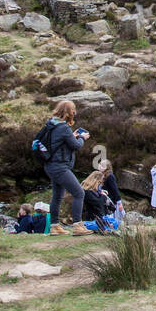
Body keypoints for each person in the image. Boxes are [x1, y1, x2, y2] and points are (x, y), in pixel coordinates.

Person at [40, 100, 89, 233]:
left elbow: (59, 142)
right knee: (79, 193)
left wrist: (72, 136)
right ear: (68, 112)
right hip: (60, 167)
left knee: (57, 196)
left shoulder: (51, 124)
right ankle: (78, 225)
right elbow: (76, 146)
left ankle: (54, 226)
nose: (75, 113)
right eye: (73, 110)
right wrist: (82, 138)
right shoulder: (64, 127)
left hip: (50, 166)